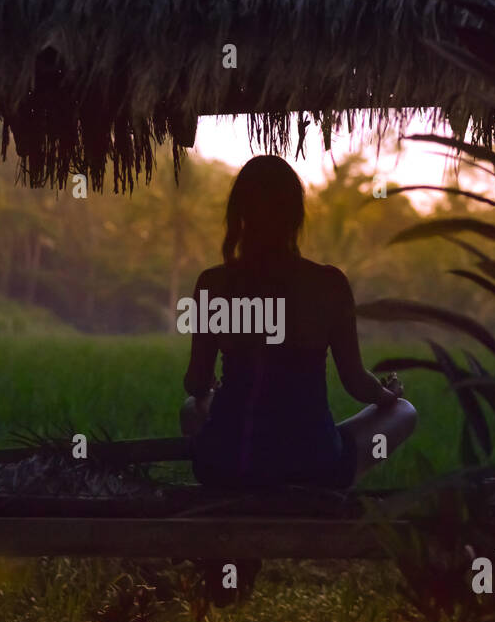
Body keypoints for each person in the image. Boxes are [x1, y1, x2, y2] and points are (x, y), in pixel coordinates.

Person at [179, 154, 417, 489]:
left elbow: (195, 384)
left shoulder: (212, 283)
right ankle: (318, 490)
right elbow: (355, 382)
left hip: (223, 465)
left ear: (240, 213)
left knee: (192, 408)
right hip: (312, 466)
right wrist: (387, 395)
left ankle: (249, 488)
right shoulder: (328, 283)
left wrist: (215, 388)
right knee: (404, 412)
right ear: (296, 215)